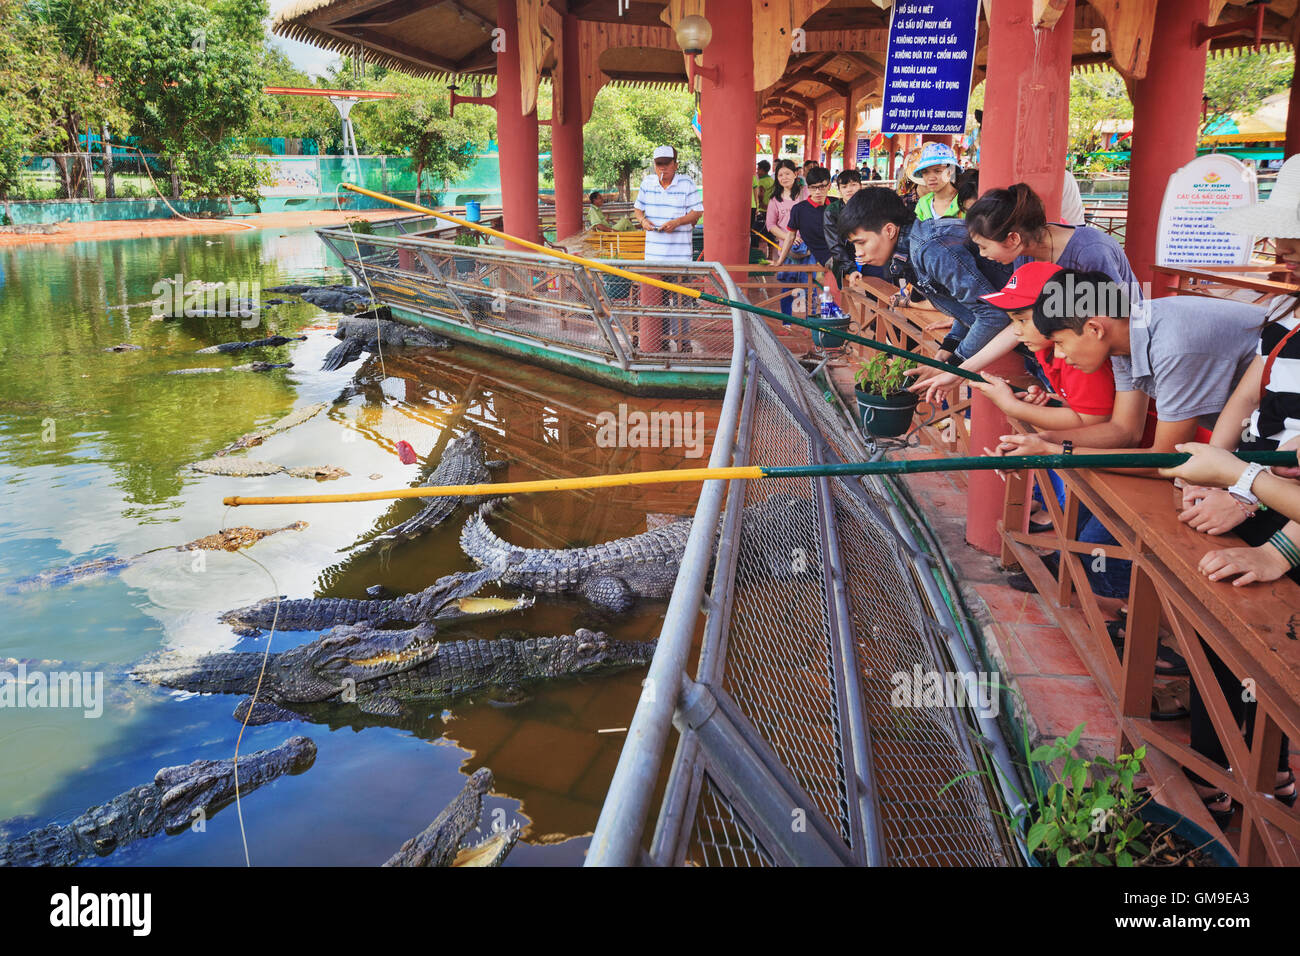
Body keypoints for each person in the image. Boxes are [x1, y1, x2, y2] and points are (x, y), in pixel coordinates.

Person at [837, 186, 1013, 363]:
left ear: (889, 230)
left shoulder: (930, 250)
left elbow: (991, 314)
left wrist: (953, 365)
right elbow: (967, 299)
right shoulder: (915, 249)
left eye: (861, 243)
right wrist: (950, 344)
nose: (857, 253)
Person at [633, 145, 703, 351]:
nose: (662, 168)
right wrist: (643, 220)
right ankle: (661, 340)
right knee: (658, 302)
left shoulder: (687, 183)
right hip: (654, 257)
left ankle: (683, 343)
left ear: (675, 164)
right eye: (659, 164)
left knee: (682, 302)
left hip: (680, 256)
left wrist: (677, 222)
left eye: (666, 164)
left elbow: (697, 212)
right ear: (654, 165)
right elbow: (638, 208)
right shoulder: (647, 182)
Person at [822, 169, 882, 292]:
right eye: (844, 187)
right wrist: (850, 268)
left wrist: (870, 255)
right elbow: (835, 245)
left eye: (853, 185)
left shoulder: (872, 206)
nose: (849, 189)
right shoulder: (831, 211)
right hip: (845, 258)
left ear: (860, 186)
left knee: (878, 293)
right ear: (839, 190)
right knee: (843, 297)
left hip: (871, 257)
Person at [766, 159, 812, 317]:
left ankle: (809, 322)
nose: (784, 177)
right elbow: (770, 225)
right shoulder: (775, 200)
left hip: (808, 250)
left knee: (808, 286)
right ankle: (787, 321)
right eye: (780, 175)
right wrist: (788, 237)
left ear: (795, 174)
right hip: (786, 251)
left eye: (787, 173)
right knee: (787, 287)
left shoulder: (806, 193)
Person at [911, 142, 962, 221]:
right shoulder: (922, 204)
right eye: (925, 172)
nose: (931, 178)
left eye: (937, 171)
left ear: (950, 171)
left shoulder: (964, 202)